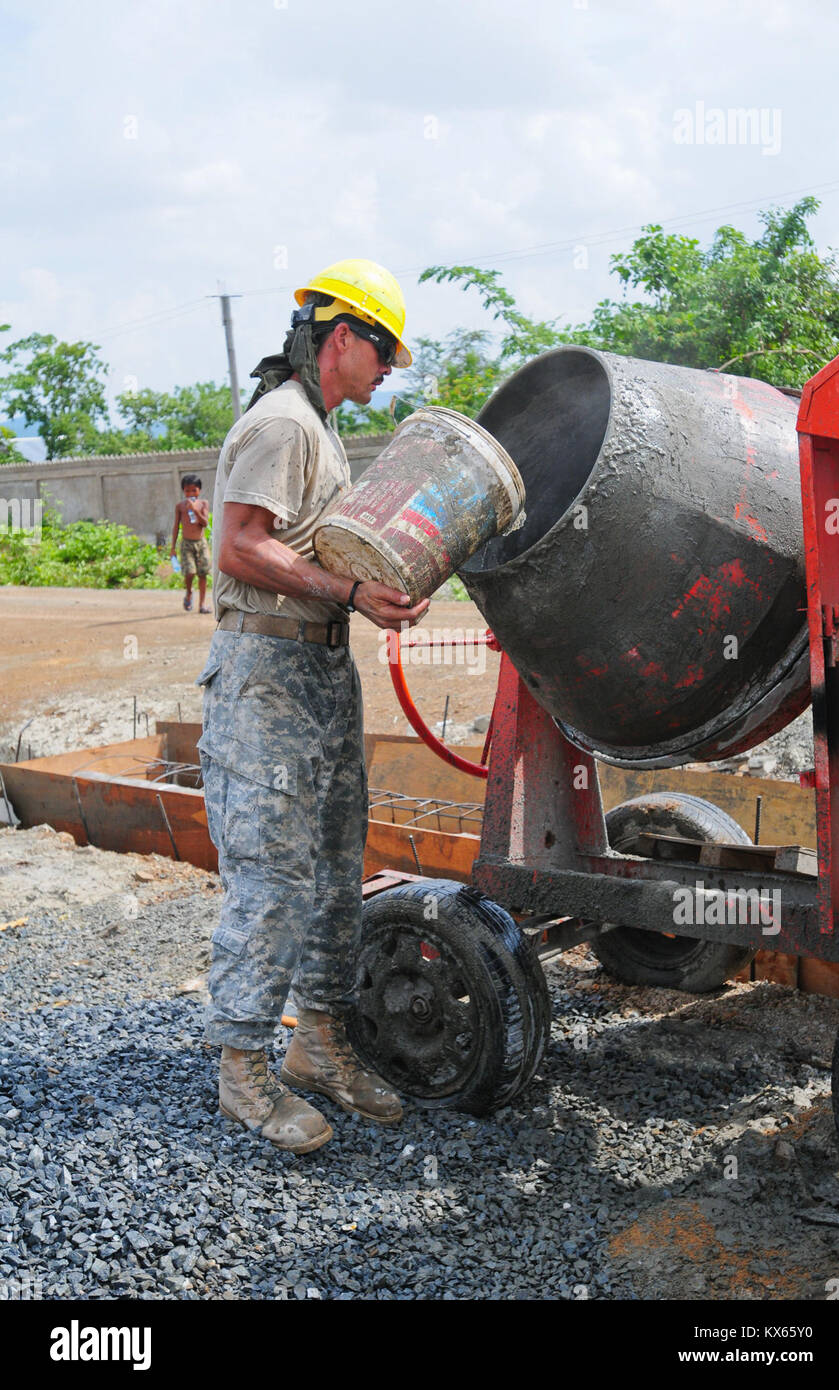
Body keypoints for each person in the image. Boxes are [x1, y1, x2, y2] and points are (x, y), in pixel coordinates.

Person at [195, 259, 429, 1154]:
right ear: (343, 338)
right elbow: (239, 547)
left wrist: (369, 587)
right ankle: (243, 1073)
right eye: (384, 355)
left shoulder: (321, 429)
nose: (389, 372)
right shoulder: (281, 424)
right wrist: (348, 591)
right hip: (266, 678)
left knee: (334, 873)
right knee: (273, 879)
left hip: (319, 674)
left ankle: (320, 1048)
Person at [170, 475, 211, 613]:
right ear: (183, 491)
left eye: (194, 490)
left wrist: (195, 510)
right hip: (186, 544)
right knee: (190, 572)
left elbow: (205, 523)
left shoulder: (203, 504)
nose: (191, 494)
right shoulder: (180, 506)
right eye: (187, 491)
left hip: (201, 543)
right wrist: (172, 548)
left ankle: (202, 604)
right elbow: (176, 527)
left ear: (199, 490)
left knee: (203, 573)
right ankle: (188, 592)